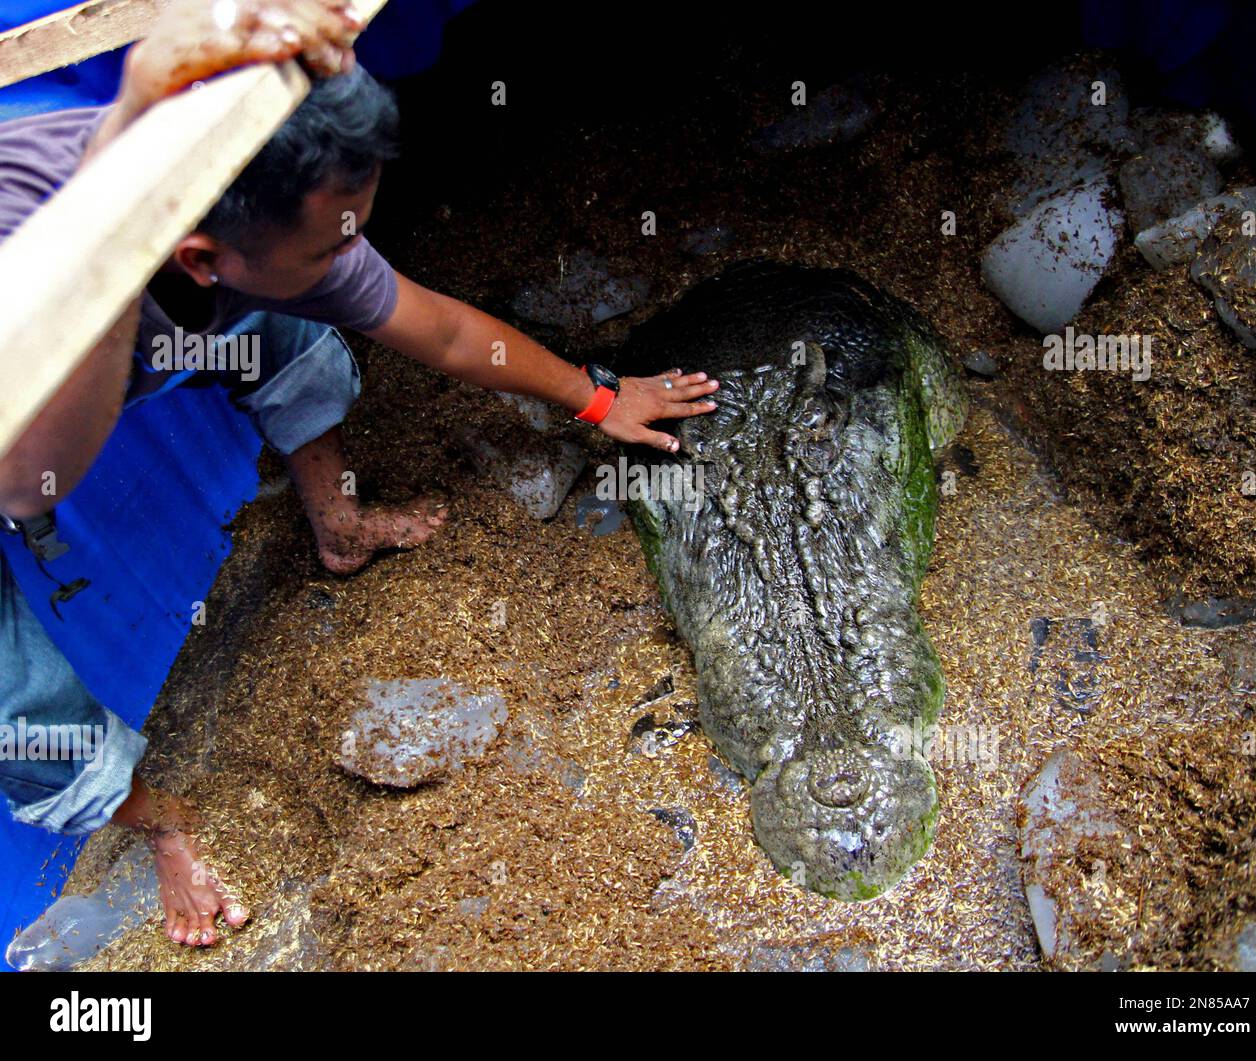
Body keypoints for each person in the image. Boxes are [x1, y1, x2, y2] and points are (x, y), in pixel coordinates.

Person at [0, 0, 719, 949]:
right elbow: (25, 482)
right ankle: (163, 821)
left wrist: (596, 396)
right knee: (22, 714)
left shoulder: (245, 187)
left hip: (147, 295)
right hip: (18, 417)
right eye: (330, 243)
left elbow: (446, 330)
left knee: (291, 328)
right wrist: (118, 258)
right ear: (198, 256)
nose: (353, 258)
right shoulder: (32, 234)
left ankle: (336, 525)